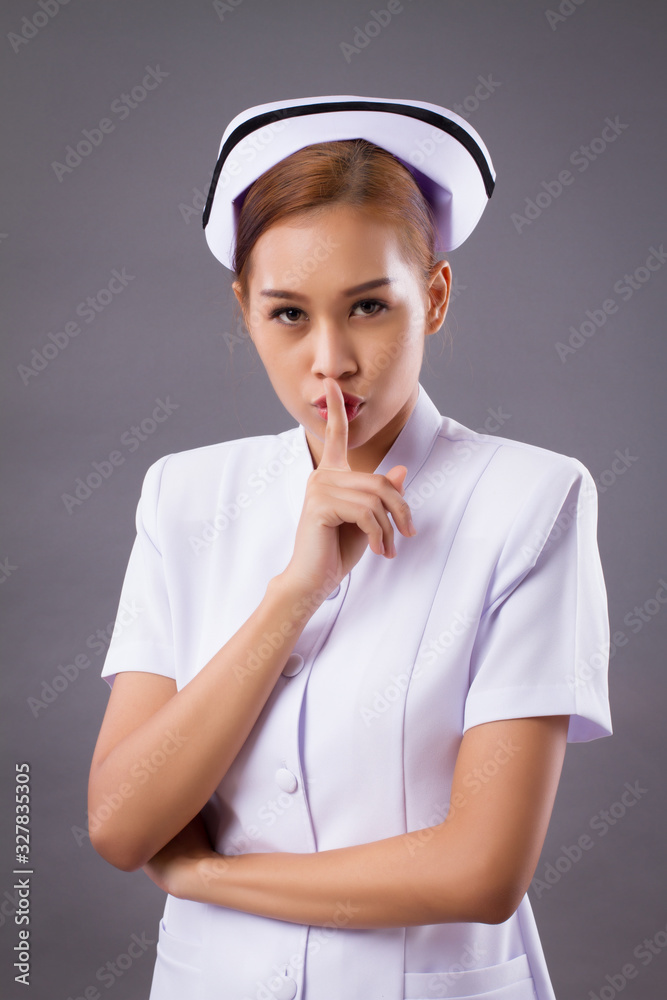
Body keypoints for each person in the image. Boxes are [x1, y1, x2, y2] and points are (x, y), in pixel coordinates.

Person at [88, 96, 612, 1000]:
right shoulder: (184, 495)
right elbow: (122, 823)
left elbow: (479, 872)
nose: (328, 360)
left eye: (368, 306)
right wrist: (294, 592)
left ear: (434, 298)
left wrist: (210, 877)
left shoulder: (532, 499)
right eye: (287, 314)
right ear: (245, 312)